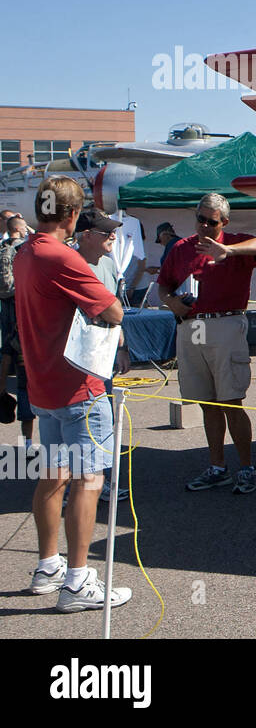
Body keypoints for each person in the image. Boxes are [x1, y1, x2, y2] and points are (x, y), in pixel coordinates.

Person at [15, 176, 131, 612]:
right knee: (88, 480)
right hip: (77, 386)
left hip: (44, 384)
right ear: (73, 216)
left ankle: (49, 566)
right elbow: (113, 309)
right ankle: (78, 581)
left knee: (53, 475)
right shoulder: (60, 256)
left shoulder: (26, 251)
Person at [157, 194, 256, 494]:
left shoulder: (236, 243)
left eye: (211, 221)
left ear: (224, 222)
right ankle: (217, 466)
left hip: (225, 323)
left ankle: (247, 467)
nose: (205, 225)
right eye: (201, 219)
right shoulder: (181, 248)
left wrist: (229, 251)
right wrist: (171, 303)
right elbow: (163, 285)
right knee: (206, 402)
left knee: (231, 400)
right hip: (190, 326)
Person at [73, 210, 132, 501]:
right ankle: (79, 485)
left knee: (101, 417)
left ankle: (99, 482)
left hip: (104, 355)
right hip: (76, 355)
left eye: (113, 231)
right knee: (80, 420)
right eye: (105, 232)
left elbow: (116, 310)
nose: (113, 236)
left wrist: (122, 348)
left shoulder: (107, 264)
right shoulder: (71, 264)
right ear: (85, 236)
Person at [0, 214, 34, 446]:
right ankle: (27, 442)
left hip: (7, 321)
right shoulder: (25, 250)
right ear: (20, 230)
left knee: (5, 372)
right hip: (23, 321)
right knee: (25, 385)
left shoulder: (1, 249)